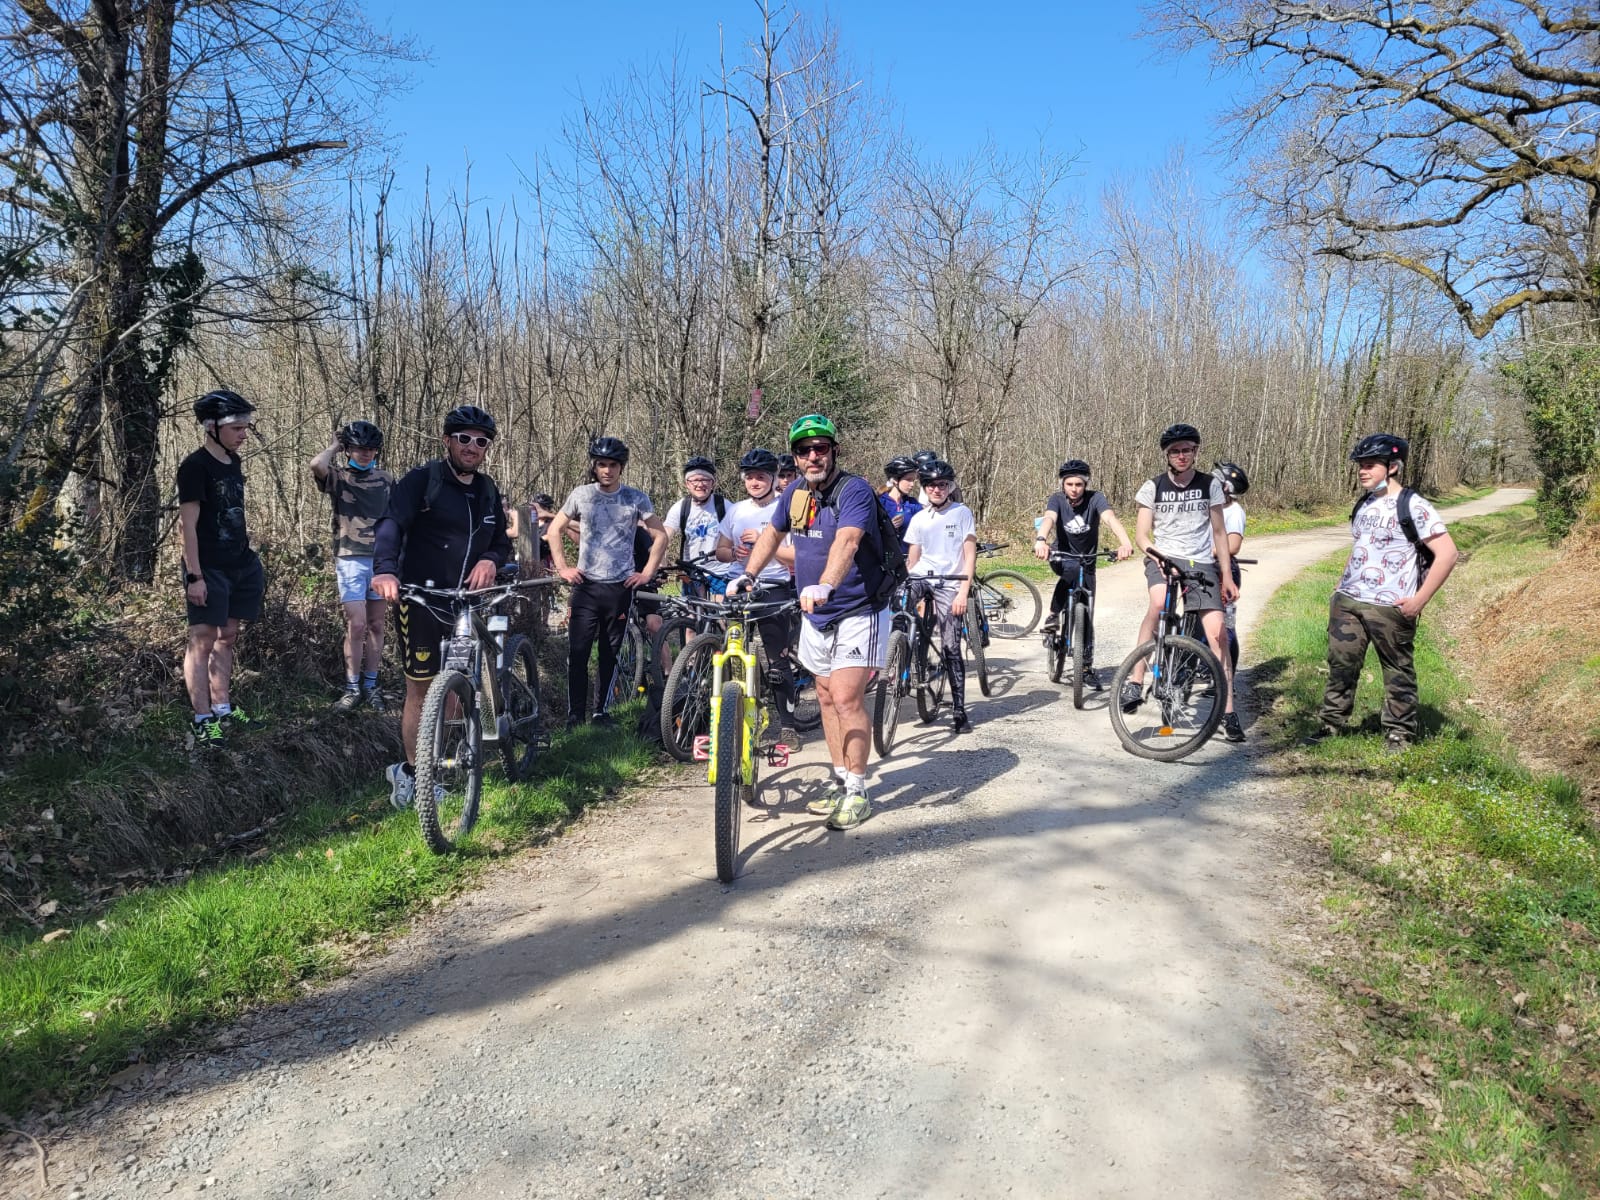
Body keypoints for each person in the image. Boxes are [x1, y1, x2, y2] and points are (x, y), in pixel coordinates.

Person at [729, 413, 888, 830]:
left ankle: (857, 790)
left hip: (859, 607)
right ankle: (839, 779)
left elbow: (848, 540)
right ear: (795, 458)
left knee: (846, 695)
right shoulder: (796, 492)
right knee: (823, 694)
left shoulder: (854, 491)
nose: (813, 456)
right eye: (804, 450)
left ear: (834, 450)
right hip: (815, 613)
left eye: (820, 448)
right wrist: (749, 573)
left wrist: (827, 584)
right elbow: (771, 535)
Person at [371, 405, 513, 808]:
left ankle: (445, 761)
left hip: (466, 601)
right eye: (464, 438)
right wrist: (384, 571)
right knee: (420, 688)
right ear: (447, 440)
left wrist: (491, 560)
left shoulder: (486, 489)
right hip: (420, 598)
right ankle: (413, 774)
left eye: (481, 441)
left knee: (454, 691)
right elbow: (390, 525)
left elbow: (501, 541)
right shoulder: (422, 481)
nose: (472, 446)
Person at [1311, 434, 1458, 750]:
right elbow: (1361, 547)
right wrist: (1340, 586)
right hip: (1350, 600)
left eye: (1369, 465)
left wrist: (1419, 601)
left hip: (1391, 606)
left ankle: (1399, 733)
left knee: (1397, 670)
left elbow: (1448, 554)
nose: (1362, 471)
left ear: (1392, 466)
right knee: (1341, 664)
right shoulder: (1364, 503)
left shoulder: (1414, 505)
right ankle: (1331, 724)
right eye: (1360, 466)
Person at [1122, 423, 1244, 743]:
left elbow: (1219, 535)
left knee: (1217, 632)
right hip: (1162, 558)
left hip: (1200, 563)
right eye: (1175, 451)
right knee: (1160, 603)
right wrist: (1158, 557)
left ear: (1195, 452)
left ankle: (1228, 710)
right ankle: (1136, 680)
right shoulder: (1153, 487)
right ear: (1167, 454)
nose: (1181, 455)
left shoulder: (1209, 485)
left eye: (1187, 450)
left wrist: (1227, 576)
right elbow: (1141, 535)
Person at [546, 436, 668, 729]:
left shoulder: (636, 498)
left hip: (620, 587)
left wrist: (647, 573)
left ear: (621, 468)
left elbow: (660, 535)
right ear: (594, 466)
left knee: (609, 652)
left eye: (613, 465)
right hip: (586, 586)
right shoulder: (581, 494)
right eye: (602, 464)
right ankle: (575, 714)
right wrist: (563, 568)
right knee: (578, 652)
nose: (607, 470)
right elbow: (554, 530)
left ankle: (601, 711)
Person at [178, 389, 266, 745]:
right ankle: (202, 719)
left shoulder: (234, 462)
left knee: (227, 637)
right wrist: (195, 576)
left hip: (240, 565)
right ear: (212, 427)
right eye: (237, 427)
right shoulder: (194, 467)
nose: (244, 433)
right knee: (202, 639)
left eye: (247, 426)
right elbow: (187, 526)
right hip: (208, 567)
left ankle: (222, 708)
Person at [716, 447, 800, 743]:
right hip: (738, 585)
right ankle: (730, 711)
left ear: (773, 478)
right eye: (750, 477)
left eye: (761, 476)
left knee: (777, 660)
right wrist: (732, 553)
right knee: (729, 650)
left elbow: (798, 557)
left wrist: (767, 545)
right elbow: (721, 549)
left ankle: (788, 725)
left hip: (773, 585)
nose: (755, 482)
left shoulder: (787, 507)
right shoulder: (736, 510)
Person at [310, 420, 394, 713]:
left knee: (376, 624)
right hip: (350, 557)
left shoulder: (385, 480)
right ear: (349, 449)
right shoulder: (339, 477)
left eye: (371, 449)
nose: (366, 454)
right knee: (356, 623)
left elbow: (398, 517)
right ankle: (351, 686)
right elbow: (316, 465)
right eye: (359, 449)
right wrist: (335, 445)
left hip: (381, 560)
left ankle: (371, 685)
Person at [1033, 458, 1134, 689]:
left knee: (1086, 614)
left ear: (1085, 484)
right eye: (1070, 484)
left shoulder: (1095, 499)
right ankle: (1053, 614)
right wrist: (1041, 540)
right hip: (1062, 555)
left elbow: (1109, 519)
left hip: (1088, 561)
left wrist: (1125, 542)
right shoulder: (1057, 500)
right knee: (1070, 569)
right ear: (1063, 485)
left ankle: (1087, 667)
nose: (1074, 489)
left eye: (1079, 484)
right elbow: (1050, 518)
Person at [904, 459, 978, 732]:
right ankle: (900, 653)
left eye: (942, 485)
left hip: (951, 581)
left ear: (950, 487)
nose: (937, 489)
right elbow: (913, 561)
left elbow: (969, 556)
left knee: (950, 645)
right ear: (924, 487)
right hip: (923, 576)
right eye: (932, 485)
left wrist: (963, 592)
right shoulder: (920, 518)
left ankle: (959, 710)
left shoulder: (961, 513)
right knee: (899, 604)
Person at [662, 455, 731, 593]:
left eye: (705, 479)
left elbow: (738, 536)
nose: (700, 484)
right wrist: (659, 562)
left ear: (713, 483)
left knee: (720, 613)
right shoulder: (680, 508)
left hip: (721, 572)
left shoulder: (725, 505)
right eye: (694, 480)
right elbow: (663, 537)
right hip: (692, 571)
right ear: (687, 484)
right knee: (692, 612)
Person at [1213, 461, 1250, 671]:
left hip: (1224, 570)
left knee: (1225, 626)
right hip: (1205, 567)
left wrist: (1208, 551)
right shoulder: (1211, 507)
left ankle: (1227, 675)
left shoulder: (1234, 511)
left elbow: (1233, 545)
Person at [879, 456, 923, 550]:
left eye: (914, 480)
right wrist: (888, 527)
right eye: (908, 479)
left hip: (910, 560)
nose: (912, 484)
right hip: (887, 560)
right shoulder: (880, 503)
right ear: (894, 480)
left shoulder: (912, 504)